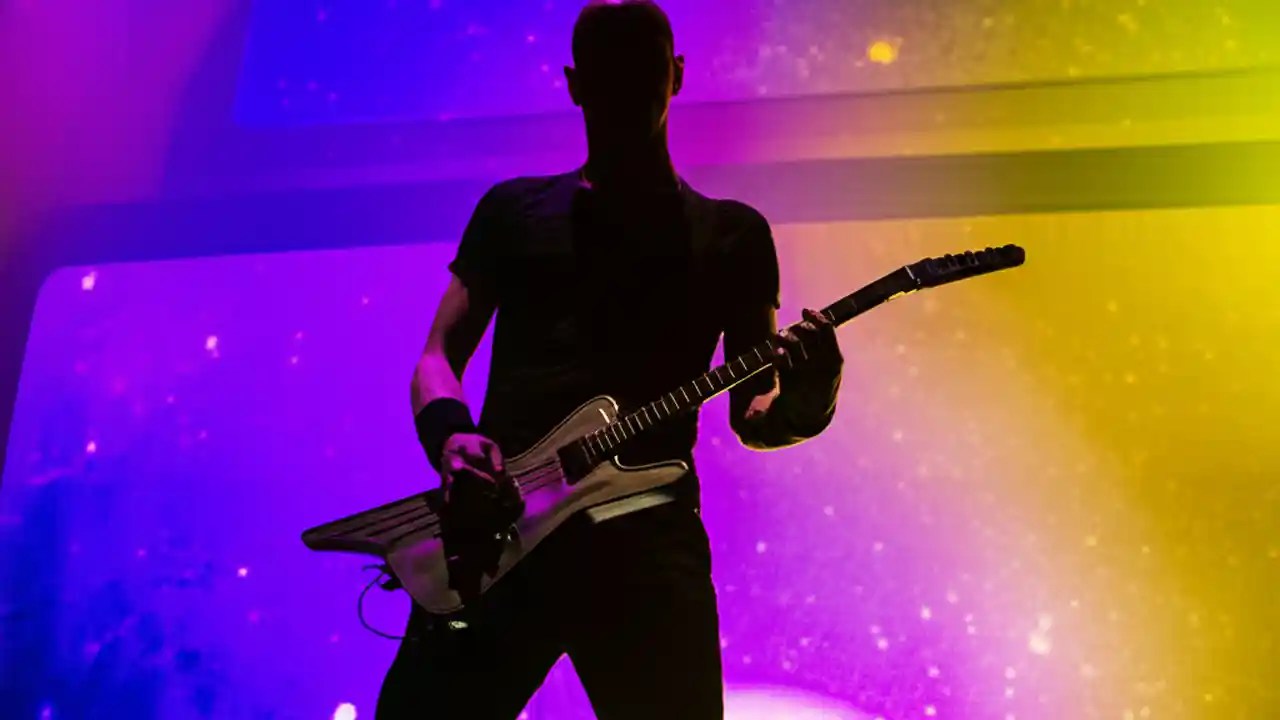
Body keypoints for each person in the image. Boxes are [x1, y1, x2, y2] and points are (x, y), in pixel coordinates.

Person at [378, 2, 843, 718]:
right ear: (575, 83)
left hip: (647, 547)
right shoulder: (513, 212)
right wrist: (452, 441)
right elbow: (438, 357)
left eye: (643, 66)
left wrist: (814, 394)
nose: (627, 85)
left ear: (676, 74)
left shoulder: (732, 236)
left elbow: (753, 413)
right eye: (608, 69)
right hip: (502, 536)